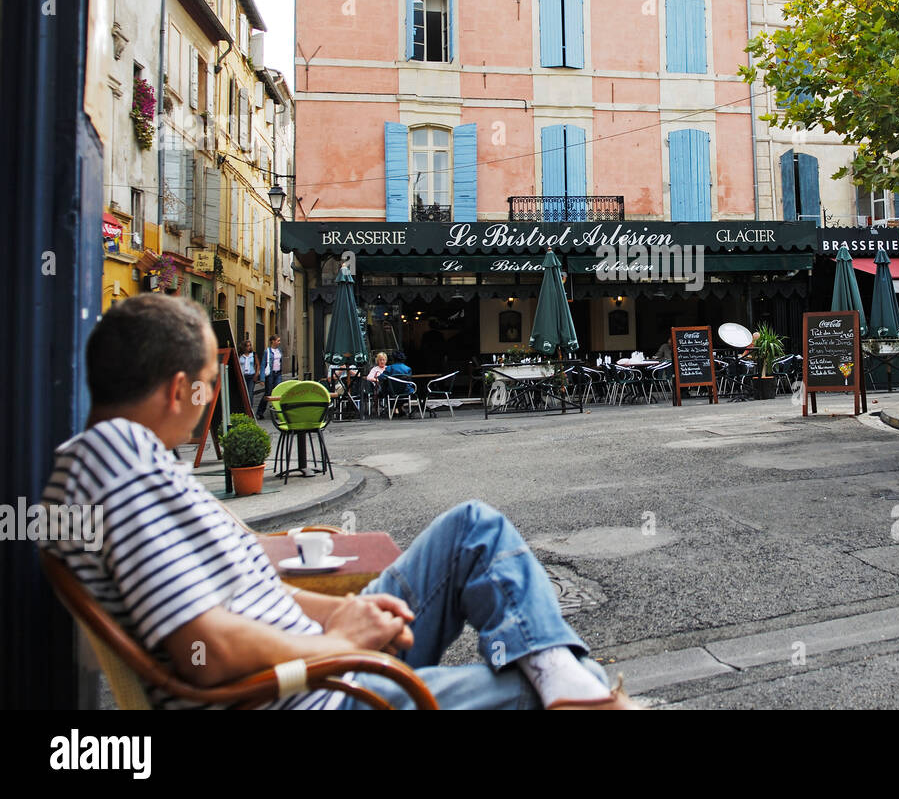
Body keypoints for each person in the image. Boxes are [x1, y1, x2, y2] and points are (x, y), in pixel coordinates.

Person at [39, 294, 630, 710]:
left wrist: (338, 617)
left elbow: (241, 592)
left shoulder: (126, 462)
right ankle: (567, 683)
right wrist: (339, 643)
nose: (209, 399)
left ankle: (562, 676)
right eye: (208, 384)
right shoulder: (116, 465)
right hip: (315, 692)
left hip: (316, 657)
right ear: (177, 390)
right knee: (565, 687)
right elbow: (208, 652)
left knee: (475, 526)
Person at [255, 334, 283, 420]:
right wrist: (262, 379)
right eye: (278, 340)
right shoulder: (267, 351)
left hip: (278, 374)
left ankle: (277, 412)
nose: (279, 342)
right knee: (268, 393)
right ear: (273, 341)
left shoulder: (279, 350)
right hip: (270, 375)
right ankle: (260, 412)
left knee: (277, 392)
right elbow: (263, 365)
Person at [237, 339, 258, 410]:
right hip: (242, 376)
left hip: (251, 376)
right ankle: (243, 409)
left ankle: (250, 409)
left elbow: (258, 365)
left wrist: (256, 375)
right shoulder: (239, 355)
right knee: (242, 393)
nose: (249, 347)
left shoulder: (253, 354)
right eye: (247, 346)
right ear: (244, 347)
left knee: (250, 393)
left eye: (250, 345)